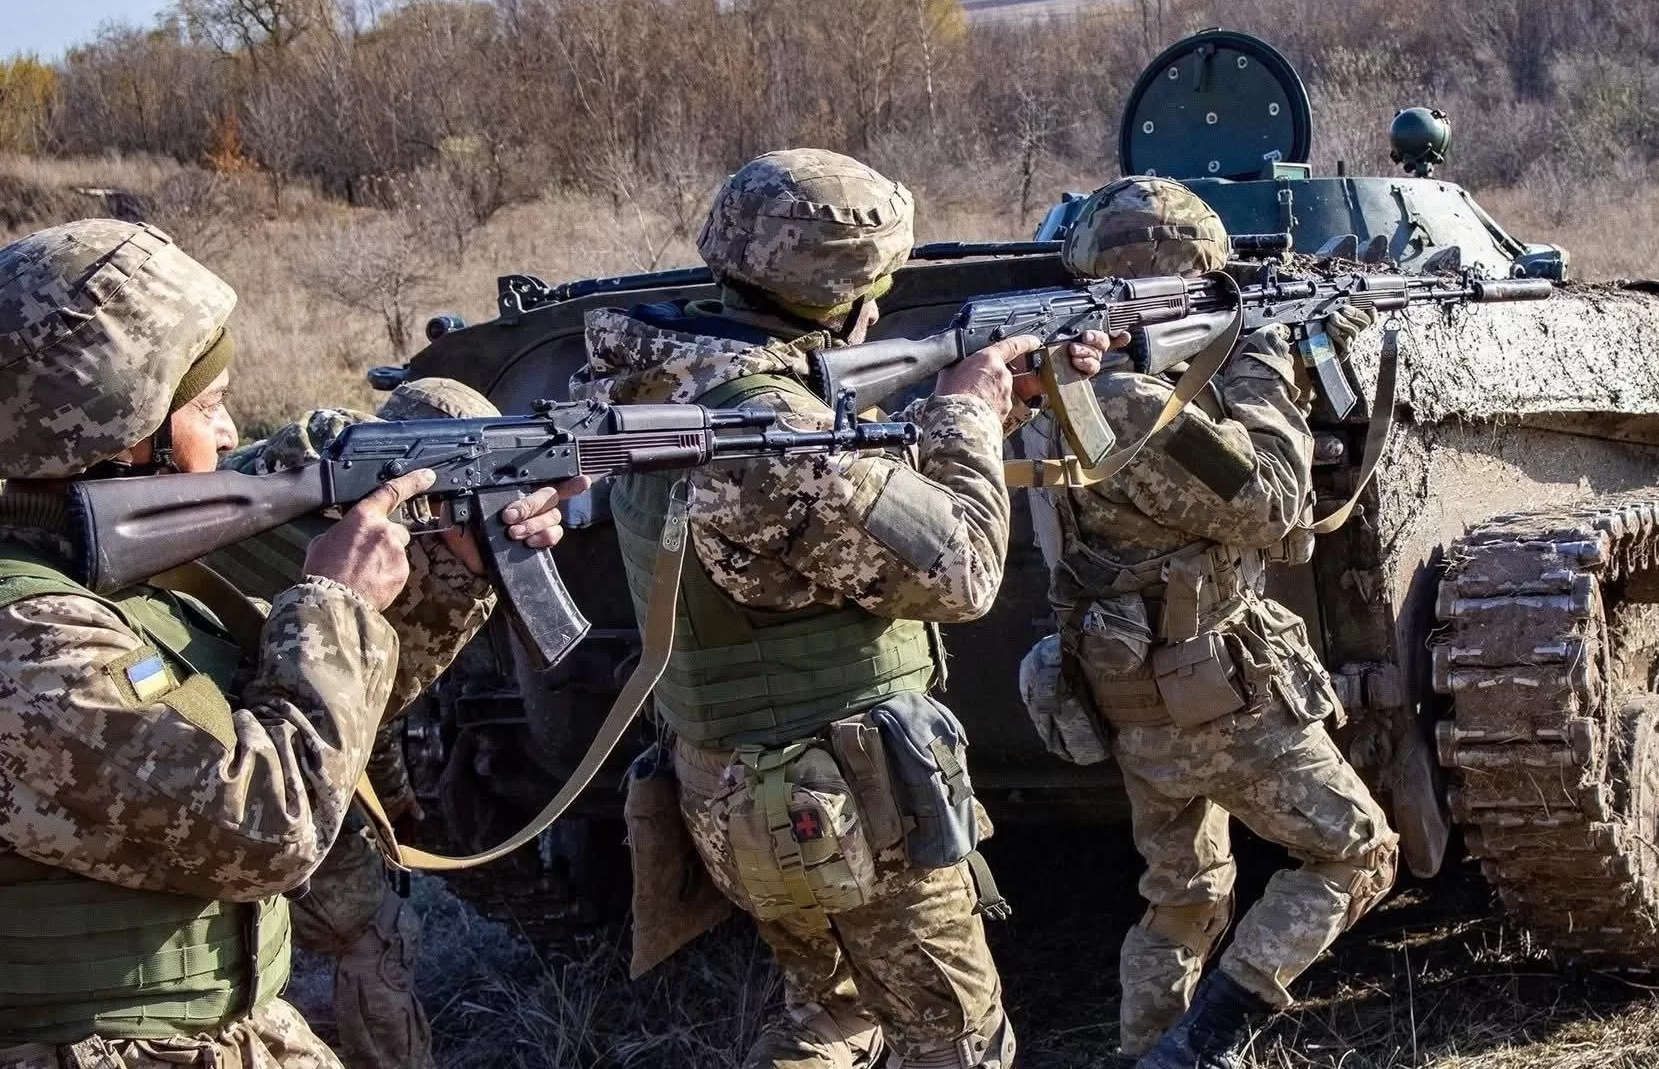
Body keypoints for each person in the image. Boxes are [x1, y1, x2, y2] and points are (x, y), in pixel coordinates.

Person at [573, 149, 1109, 1069]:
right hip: (840, 799)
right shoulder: (772, 432)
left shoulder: (660, 380)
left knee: (831, 1017)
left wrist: (998, 411)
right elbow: (965, 572)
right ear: (854, 294)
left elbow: (838, 523)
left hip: (740, 783)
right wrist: (968, 415)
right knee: (959, 1045)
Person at [0, 220, 577, 1069]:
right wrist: (337, 601)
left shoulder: (108, 572)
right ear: (122, 430)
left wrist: (448, 572)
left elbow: (306, 725)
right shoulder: (33, 639)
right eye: (207, 406)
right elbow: (268, 825)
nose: (231, 433)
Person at [1021, 177, 1400, 1069]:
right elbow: (1275, 504)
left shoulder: (1060, 387)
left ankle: (1149, 1053)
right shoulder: (1127, 403)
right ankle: (1209, 1041)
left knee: (1185, 896)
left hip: (1128, 687)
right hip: (1209, 693)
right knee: (1357, 855)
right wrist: (1262, 365)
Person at [213, 378, 505, 1069]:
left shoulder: (289, 485)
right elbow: (361, 696)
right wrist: (469, 578)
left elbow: (360, 705)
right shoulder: (368, 542)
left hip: (260, 750)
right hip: (253, 769)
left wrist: (392, 792)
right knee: (373, 933)